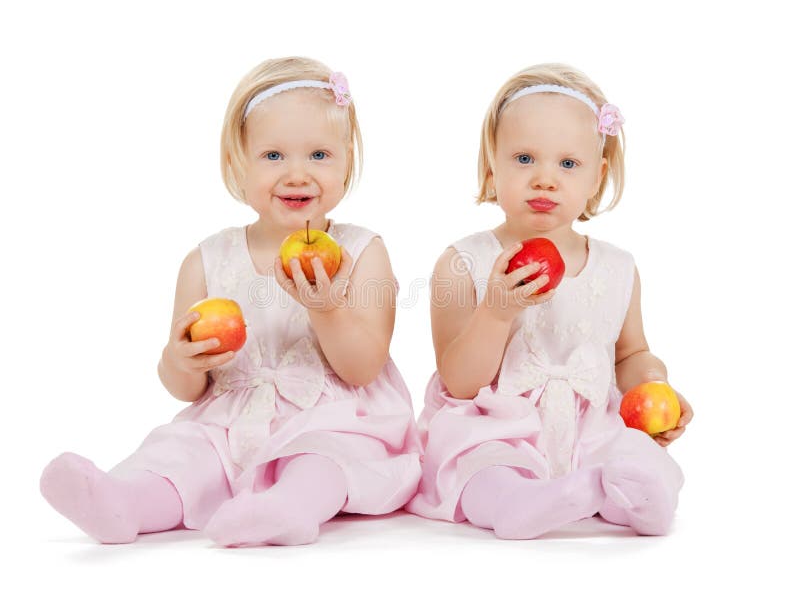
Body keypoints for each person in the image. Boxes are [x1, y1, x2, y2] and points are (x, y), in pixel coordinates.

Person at [40, 56, 422, 547]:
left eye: (320, 155)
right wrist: (179, 359)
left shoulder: (361, 251)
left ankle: (288, 508)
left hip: (332, 416)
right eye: (273, 156)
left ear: (348, 161)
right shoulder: (207, 259)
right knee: (183, 453)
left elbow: (362, 368)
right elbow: (185, 388)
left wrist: (326, 308)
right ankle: (125, 503)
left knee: (322, 458)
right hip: (231, 420)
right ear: (237, 163)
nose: (297, 174)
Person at [406, 63, 693, 539]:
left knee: (636, 457)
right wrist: (496, 312)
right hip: (496, 428)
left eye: (567, 164)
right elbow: (458, 383)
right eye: (523, 159)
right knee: (481, 468)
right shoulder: (465, 262)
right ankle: (518, 503)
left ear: (596, 177)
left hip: (589, 430)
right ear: (490, 166)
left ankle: (633, 496)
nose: (544, 179)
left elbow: (631, 354)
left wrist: (655, 385)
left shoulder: (616, 267)